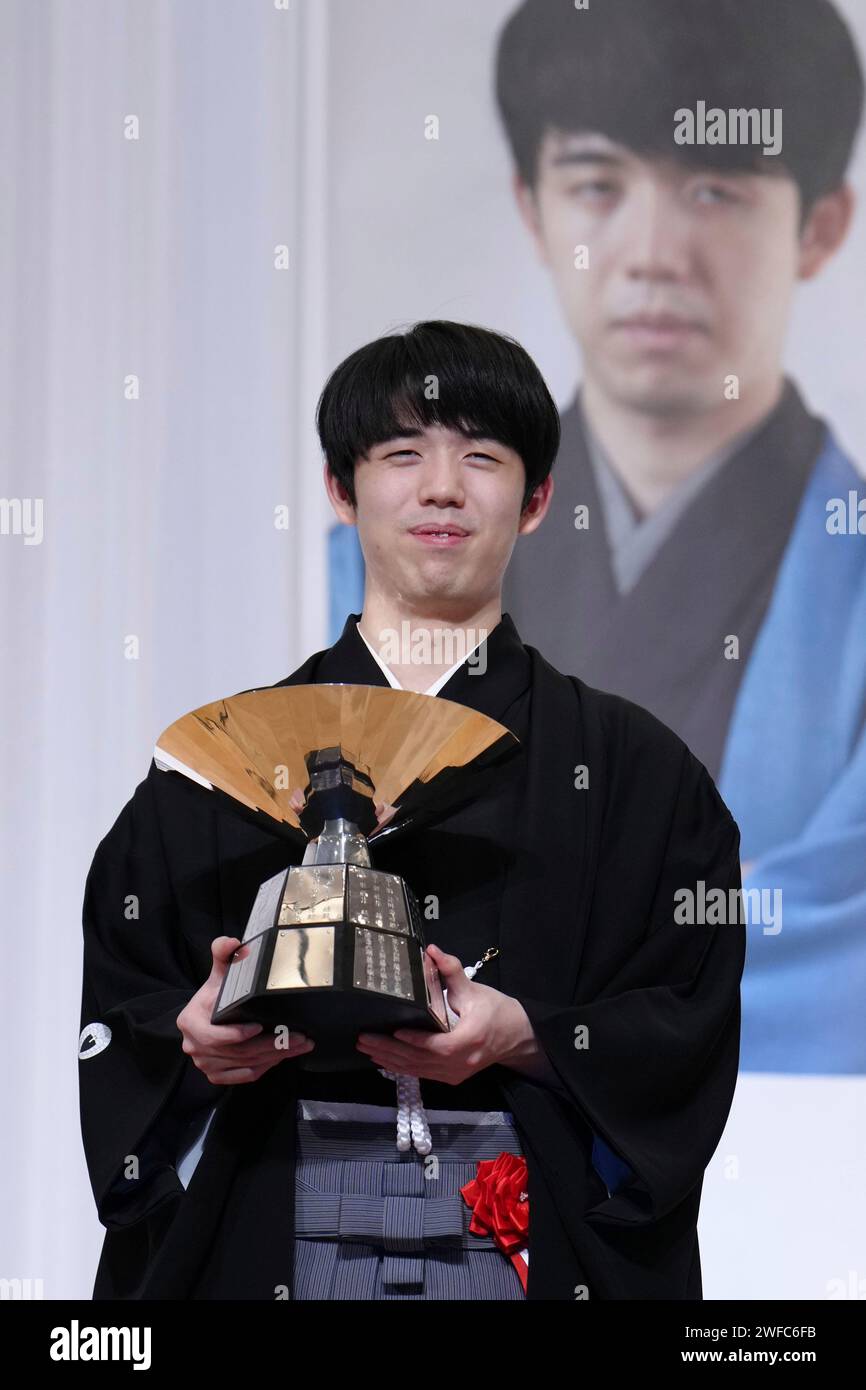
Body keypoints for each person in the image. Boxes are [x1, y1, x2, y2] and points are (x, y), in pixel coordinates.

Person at [79, 320, 745, 1300]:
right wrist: (193, 1039)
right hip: (274, 1211)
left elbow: (685, 1017)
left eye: (481, 456)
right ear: (340, 491)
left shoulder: (636, 775)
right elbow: (126, 1005)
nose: (442, 488)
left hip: (520, 1233)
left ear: (535, 500)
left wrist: (527, 1033)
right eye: (402, 455)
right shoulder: (216, 769)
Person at [333, 0, 866, 1073]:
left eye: (714, 186)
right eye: (595, 184)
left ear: (818, 224)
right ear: (531, 209)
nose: (650, 253)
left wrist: (522, 999)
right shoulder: (381, 549)